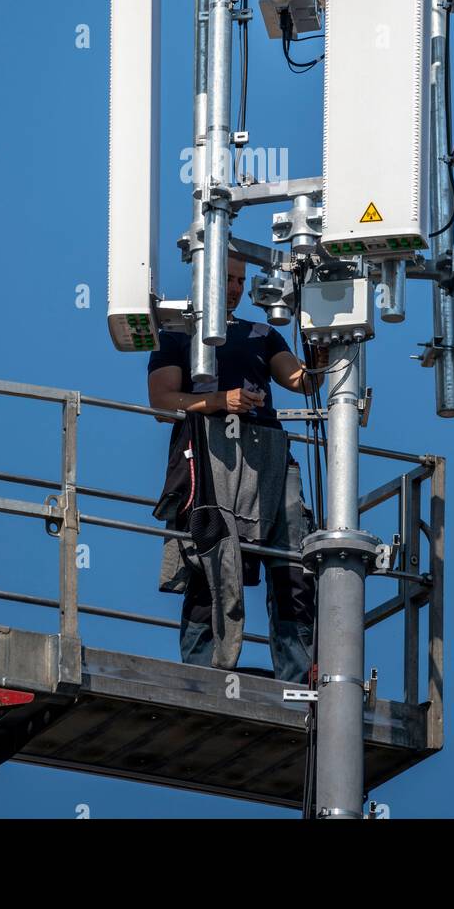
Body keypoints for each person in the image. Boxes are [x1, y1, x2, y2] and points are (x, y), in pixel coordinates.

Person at [148, 253, 325, 683]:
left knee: (291, 564)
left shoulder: (262, 333)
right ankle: (202, 673)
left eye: (240, 280)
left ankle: (297, 676)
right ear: (202, 279)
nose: (234, 287)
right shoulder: (175, 333)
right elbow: (161, 402)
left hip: (268, 454)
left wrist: (318, 327)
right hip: (208, 455)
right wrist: (217, 401)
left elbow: (305, 381)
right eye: (226, 278)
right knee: (211, 560)